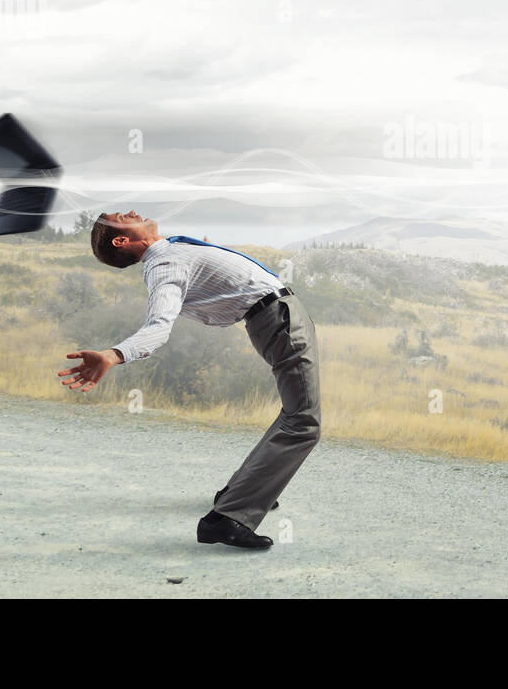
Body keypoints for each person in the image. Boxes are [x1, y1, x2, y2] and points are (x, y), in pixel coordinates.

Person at [59, 209, 321, 550]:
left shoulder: (172, 251)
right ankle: (227, 519)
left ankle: (239, 492)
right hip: (278, 319)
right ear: (122, 239)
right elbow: (158, 326)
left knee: (294, 413)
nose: (133, 211)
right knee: (303, 421)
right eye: (122, 216)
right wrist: (114, 354)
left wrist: (215, 259)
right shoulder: (164, 266)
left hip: (279, 314)